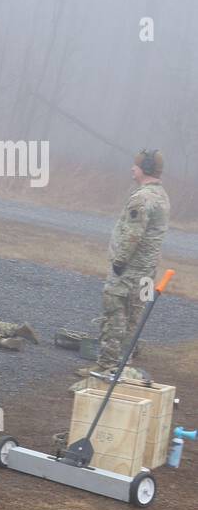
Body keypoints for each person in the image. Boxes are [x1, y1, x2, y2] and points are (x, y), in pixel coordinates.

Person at [91, 149, 170, 373]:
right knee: (134, 319)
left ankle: (106, 367)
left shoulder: (142, 198)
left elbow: (133, 234)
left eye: (135, 165)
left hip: (128, 272)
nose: (131, 169)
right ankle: (123, 368)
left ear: (144, 168)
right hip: (147, 272)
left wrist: (119, 261)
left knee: (115, 316)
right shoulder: (161, 195)